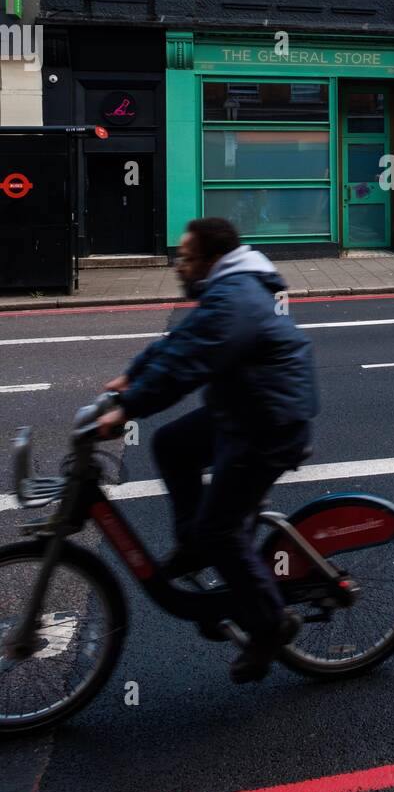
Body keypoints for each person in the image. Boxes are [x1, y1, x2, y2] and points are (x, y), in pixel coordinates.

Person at [97, 217, 319, 685]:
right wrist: (134, 375)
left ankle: (271, 625)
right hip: (242, 410)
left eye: (187, 257)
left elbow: (191, 363)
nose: (180, 265)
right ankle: (194, 545)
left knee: (220, 529)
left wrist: (129, 408)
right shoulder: (227, 286)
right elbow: (183, 342)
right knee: (171, 444)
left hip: (270, 424)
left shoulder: (236, 297)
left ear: (212, 259)